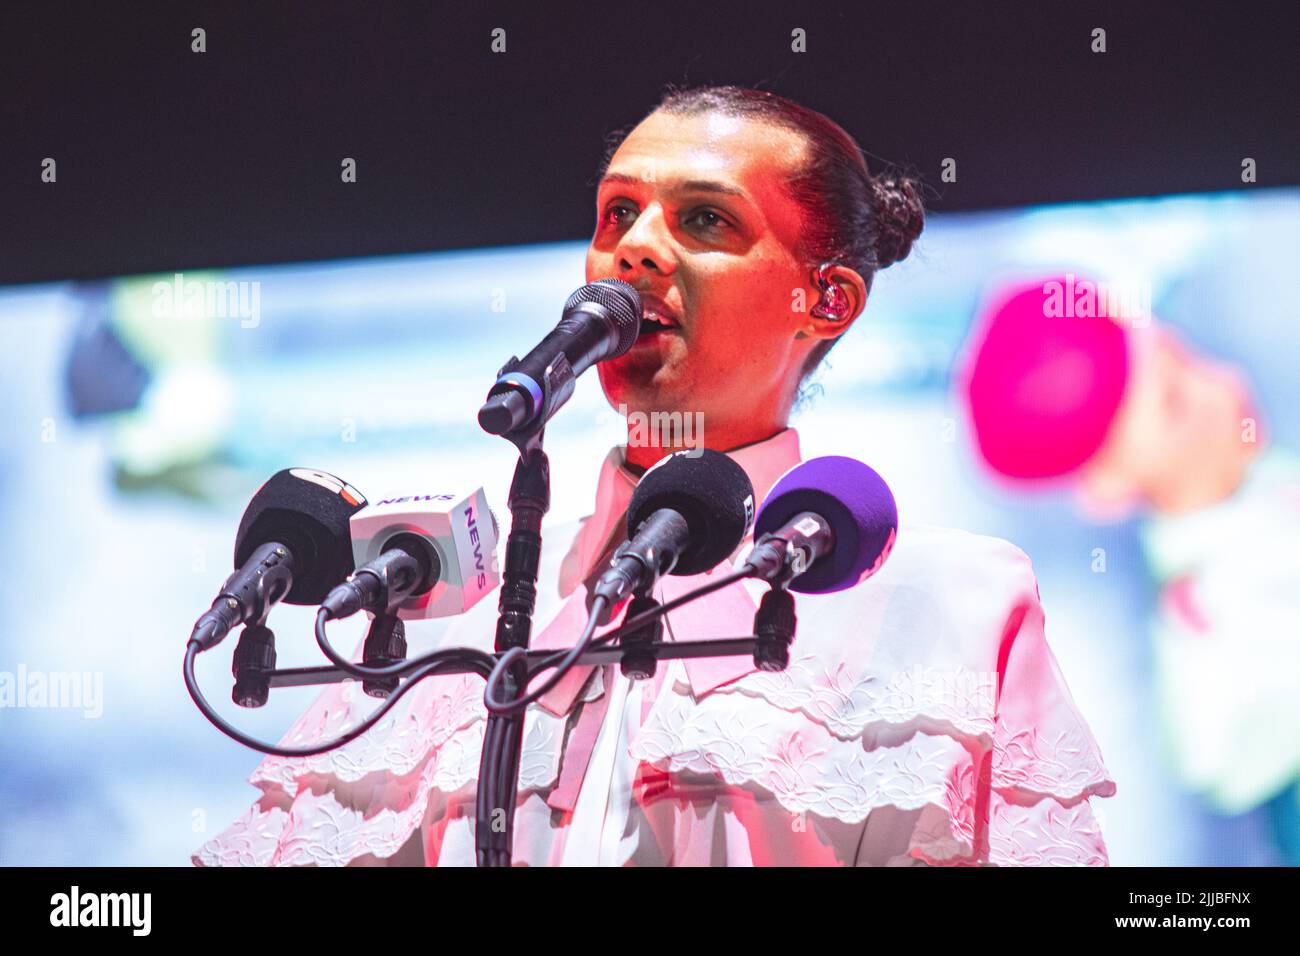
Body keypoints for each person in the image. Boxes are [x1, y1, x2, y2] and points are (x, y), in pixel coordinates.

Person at [194, 86, 1115, 867]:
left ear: (825, 299)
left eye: (704, 219)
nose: (636, 250)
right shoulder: (451, 599)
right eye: (616, 214)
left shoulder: (944, 604)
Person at [959, 275, 1300, 863]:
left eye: (1185, 355)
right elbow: (1216, 759)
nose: (1226, 385)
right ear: (1108, 488)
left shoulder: (1266, 485)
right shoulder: (1217, 638)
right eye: (1174, 406)